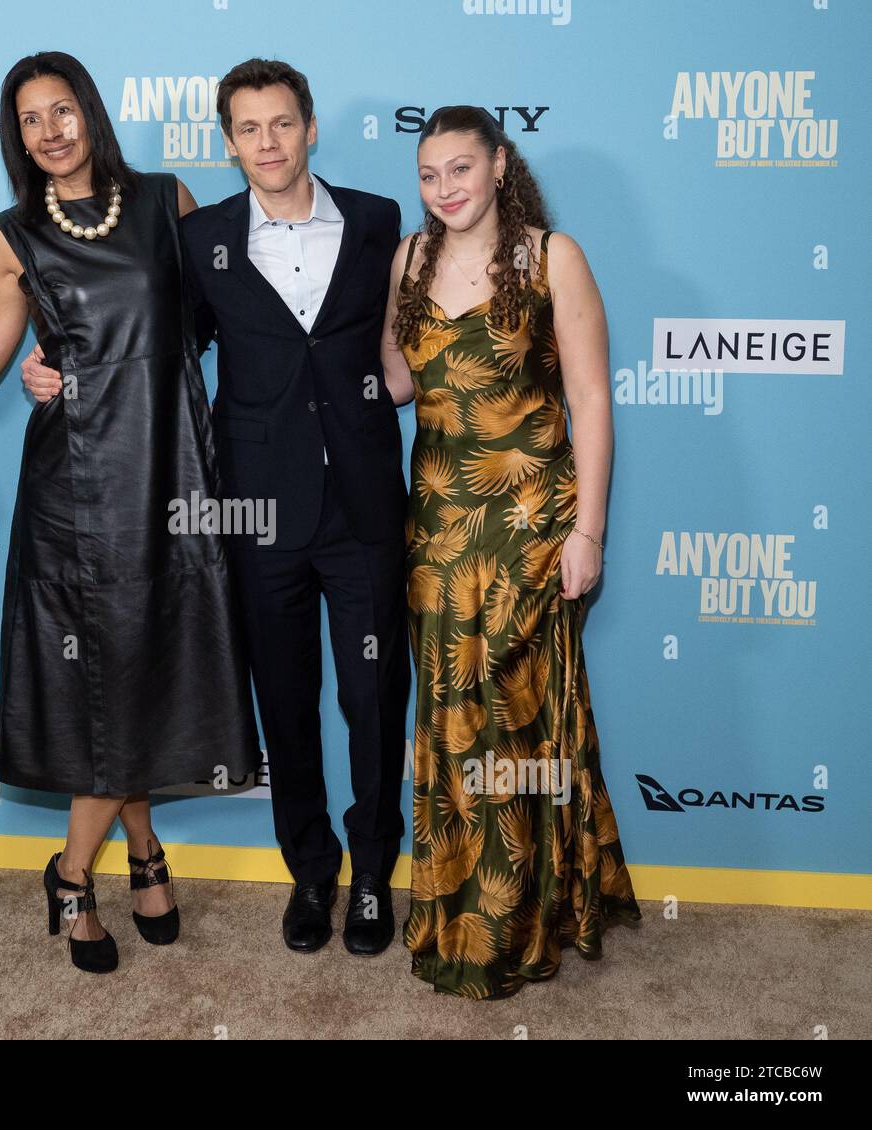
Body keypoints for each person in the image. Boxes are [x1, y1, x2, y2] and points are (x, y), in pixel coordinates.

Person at [30, 58, 412, 958]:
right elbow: (156, 344)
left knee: (373, 699)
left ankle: (370, 877)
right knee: (284, 701)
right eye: (248, 128)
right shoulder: (204, 242)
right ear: (229, 140)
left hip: (363, 509)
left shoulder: (378, 220)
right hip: (257, 516)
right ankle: (311, 874)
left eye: (282, 124)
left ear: (309, 128)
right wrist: (50, 366)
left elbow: (405, 340)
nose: (268, 143)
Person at [0, 51, 259, 975]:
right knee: (111, 677)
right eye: (31, 118)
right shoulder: (12, 236)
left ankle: (134, 855)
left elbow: (214, 322)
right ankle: (82, 873)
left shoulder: (170, 200)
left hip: (174, 471)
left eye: (63, 109)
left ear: (92, 112)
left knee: (149, 668)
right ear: (18, 136)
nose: (51, 130)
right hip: (77, 495)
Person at [381, 105, 642, 999]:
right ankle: (455, 913)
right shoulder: (410, 260)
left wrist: (590, 530)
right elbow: (403, 378)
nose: (444, 189)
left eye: (460, 168)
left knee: (515, 718)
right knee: (452, 721)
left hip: (531, 525)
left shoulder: (550, 256)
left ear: (498, 164)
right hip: (438, 532)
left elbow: (593, 401)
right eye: (428, 175)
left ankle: (516, 923)